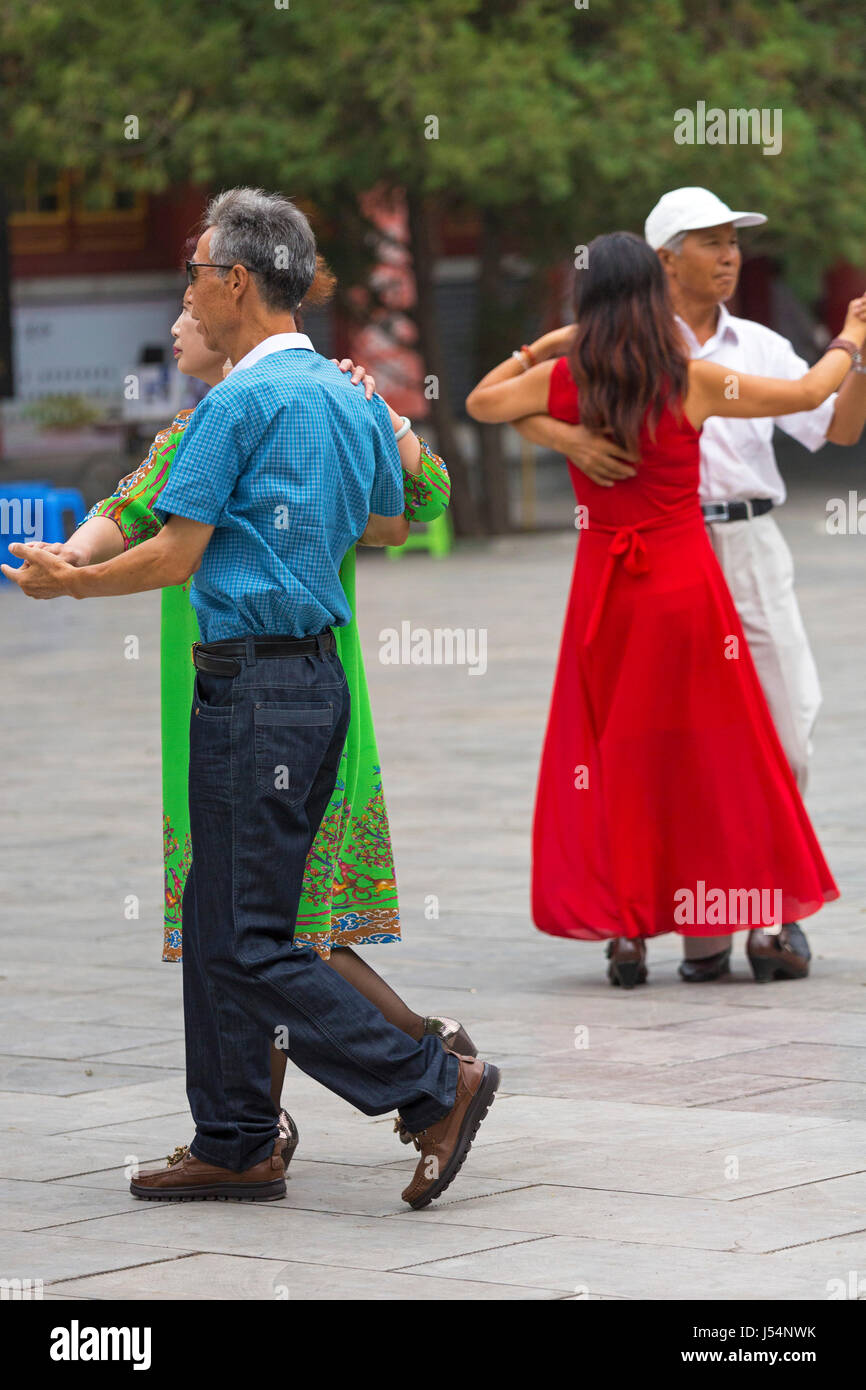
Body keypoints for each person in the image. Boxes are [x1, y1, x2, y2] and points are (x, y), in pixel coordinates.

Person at [5, 187, 499, 1208]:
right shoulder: (347, 395)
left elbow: (174, 550)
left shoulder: (233, 406)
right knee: (224, 913)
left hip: (255, 692)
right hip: (314, 680)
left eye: (192, 272)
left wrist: (71, 583)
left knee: (246, 935)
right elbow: (398, 520)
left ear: (234, 280)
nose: (185, 288)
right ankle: (233, 1134)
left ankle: (428, 1081)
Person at [465, 230, 866, 984]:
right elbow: (813, 395)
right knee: (711, 757)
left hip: (605, 595)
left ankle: (628, 929)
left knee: (619, 757)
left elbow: (482, 401)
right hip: (687, 590)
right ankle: (720, 920)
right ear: (654, 293)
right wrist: (848, 338)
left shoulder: (568, 379)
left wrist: (555, 389)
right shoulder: (694, 378)